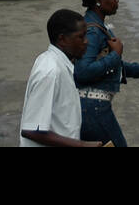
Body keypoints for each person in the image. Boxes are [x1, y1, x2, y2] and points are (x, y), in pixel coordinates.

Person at [74, 0, 139, 147]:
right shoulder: (93, 31)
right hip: (93, 108)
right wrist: (115, 54)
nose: (116, 0)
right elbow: (83, 71)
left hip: (91, 107)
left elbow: (108, 67)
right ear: (99, 0)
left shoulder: (95, 25)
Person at [21, 9, 104, 147]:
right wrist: (82, 145)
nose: (86, 42)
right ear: (62, 39)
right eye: (80, 37)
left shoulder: (57, 63)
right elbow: (31, 130)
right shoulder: (50, 72)